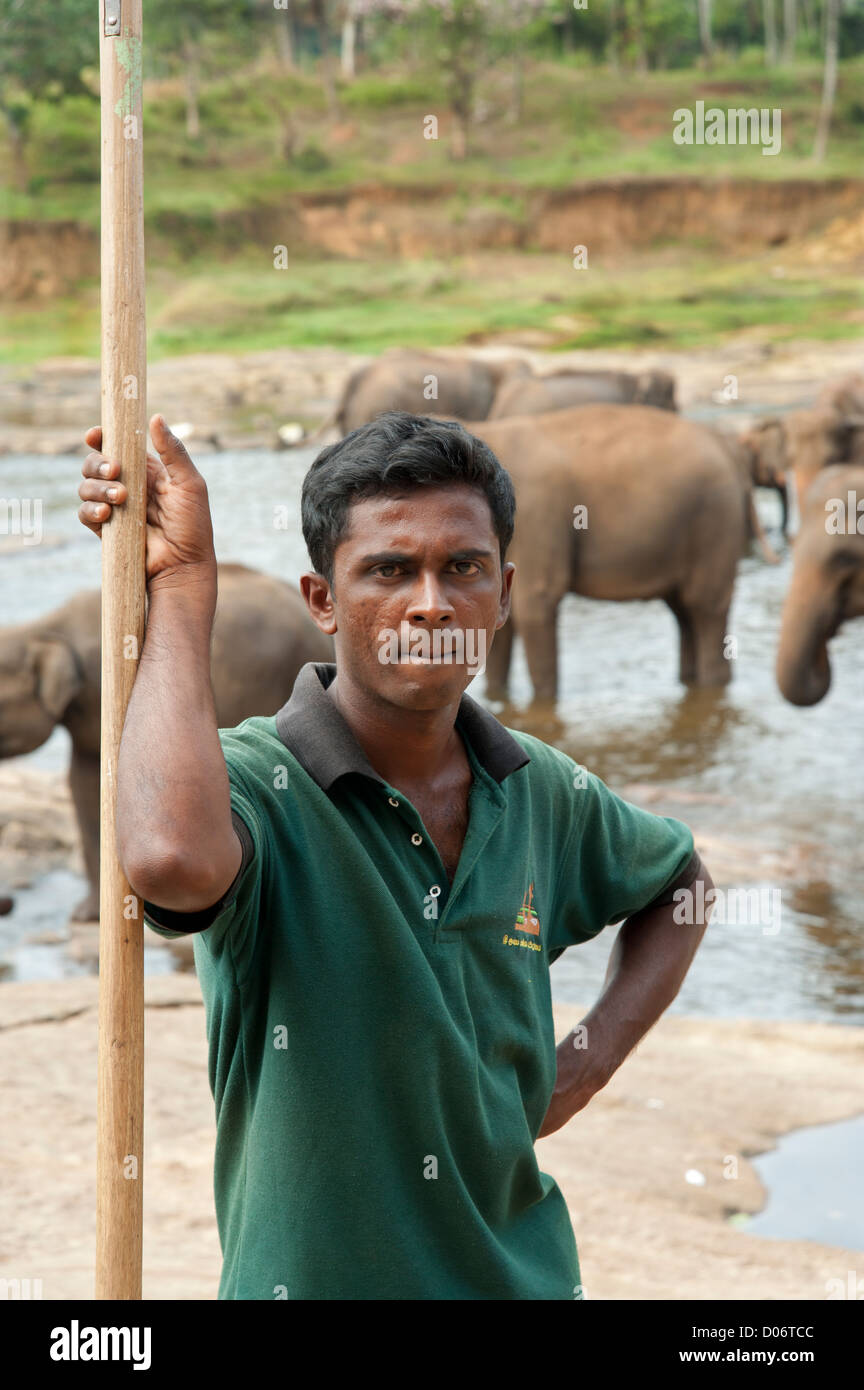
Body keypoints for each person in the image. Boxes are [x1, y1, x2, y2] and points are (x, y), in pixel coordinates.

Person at [78, 408, 713, 1301]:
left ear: (503, 592)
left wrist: (586, 1061)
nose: (430, 602)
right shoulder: (262, 785)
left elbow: (679, 883)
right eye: (388, 569)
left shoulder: (539, 790)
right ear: (321, 601)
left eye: (464, 569)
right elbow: (172, 864)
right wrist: (184, 584)